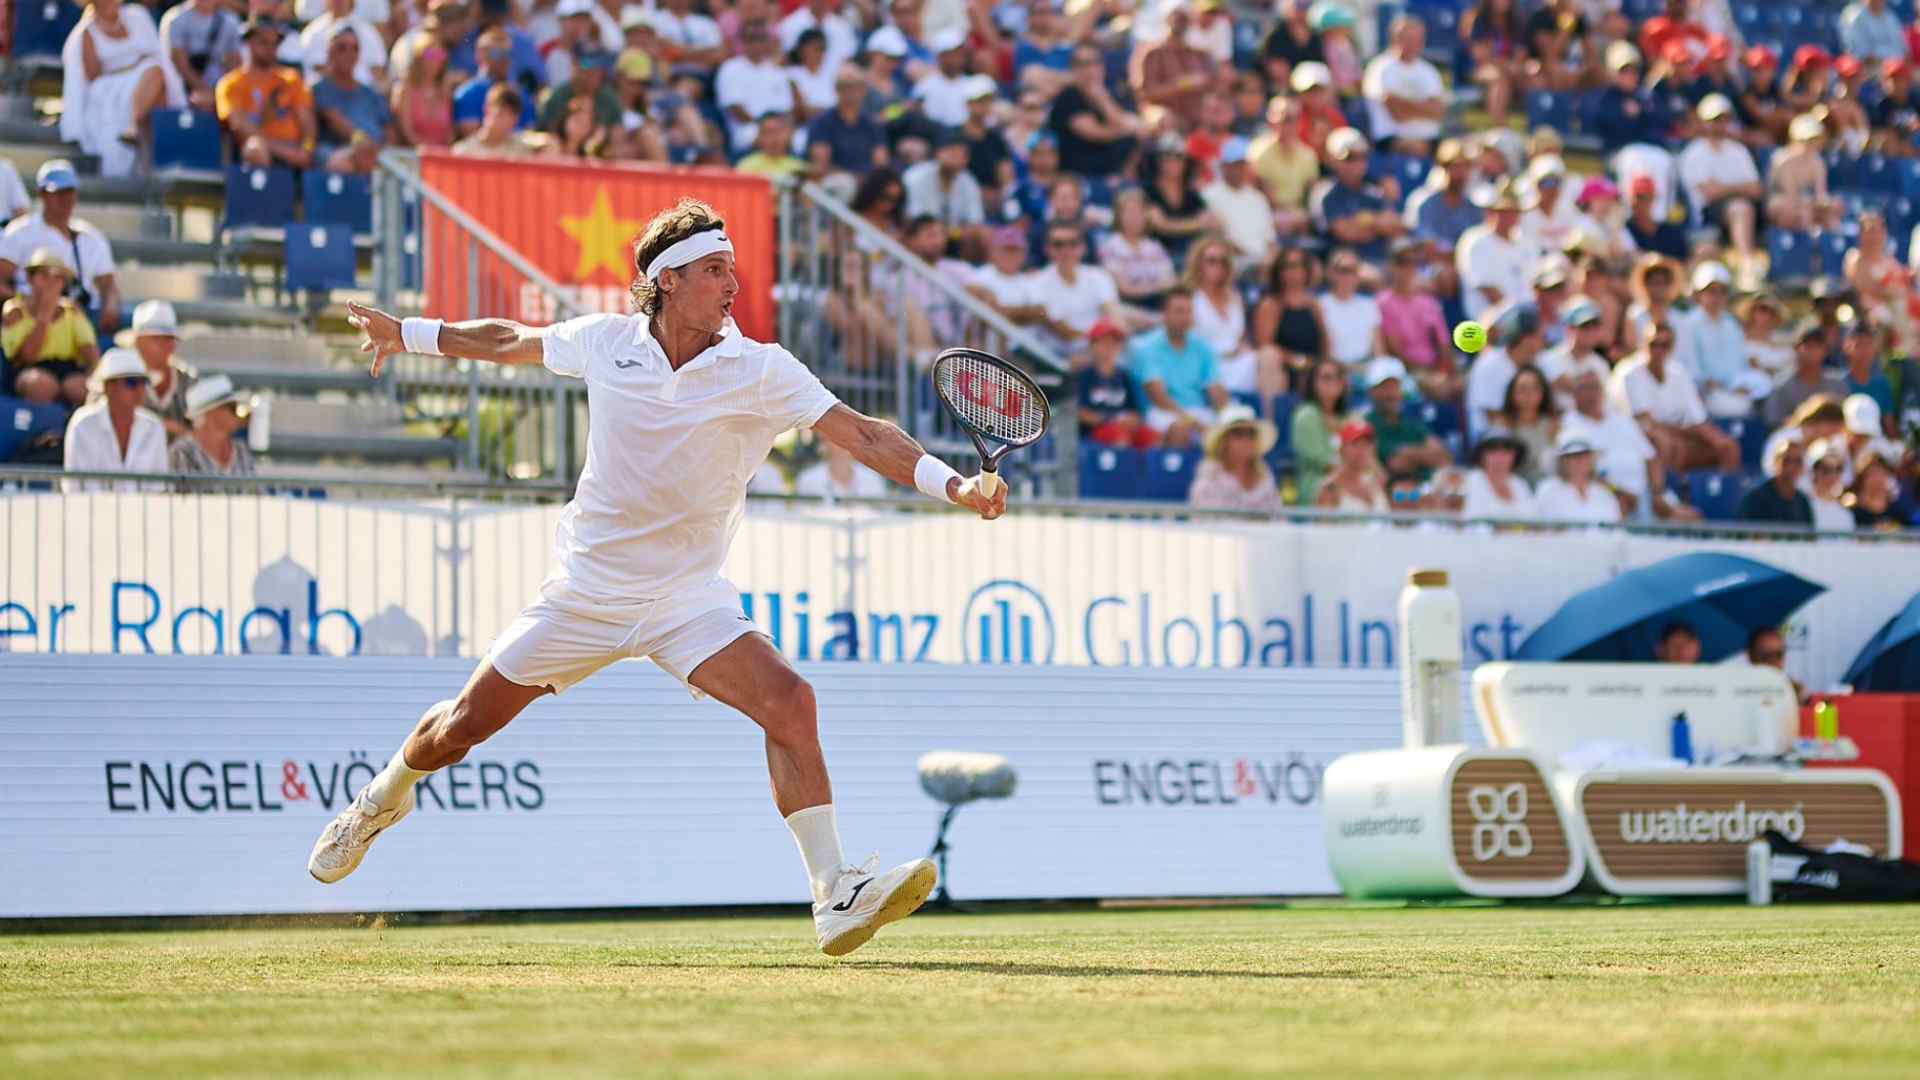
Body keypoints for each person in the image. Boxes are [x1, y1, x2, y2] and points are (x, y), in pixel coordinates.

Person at [311, 199, 1005, 957]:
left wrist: (957, 487)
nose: (732, 283)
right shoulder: (606, 342)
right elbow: (509, 338)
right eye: (714, 270)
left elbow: (865, 434)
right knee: (458, 732)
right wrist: (407, 333)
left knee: (790, 701)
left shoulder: (761, 368)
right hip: (584, 594)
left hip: (687, 600)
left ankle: (834, 892)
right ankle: (380, 802)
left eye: (732, 269)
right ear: (668, 280)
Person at [59, 0, 186, 178]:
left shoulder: (138, 15)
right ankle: (137, 133)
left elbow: (156, 53)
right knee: (155, 73)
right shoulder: (85, 34)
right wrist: (130, 73)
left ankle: (153, 160)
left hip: (148, 79)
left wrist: (138, 70)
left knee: (157, 78)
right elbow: (93, 77)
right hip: (109, 88)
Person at [0, 161, 122, 336]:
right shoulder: (19, 232)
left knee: (132, 324)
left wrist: (110, 306)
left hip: (83, 316)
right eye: (58, 192)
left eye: (69, 191)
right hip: (32, 318)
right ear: (42, 194)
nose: (65, 199)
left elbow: (108, 284)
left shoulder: (91, 236)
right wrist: (28, 304)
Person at [1610, 318, 1740, 476]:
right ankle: (1666, 494)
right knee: (1667, 443)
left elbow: (1697, 418)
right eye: (1653, 344)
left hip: (1676, 432)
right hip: (1636, 437)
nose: (1658, 350)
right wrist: (1686, 432)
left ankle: (1722, 494)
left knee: (1728, 446)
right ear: (1643, 343)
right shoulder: (1629, 373)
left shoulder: (1679, 372)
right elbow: (1646, 423)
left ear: (1672, 347)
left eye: (1664, 345)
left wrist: (1719, 441)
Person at [2, 248, 99, 407]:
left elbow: (91, 355)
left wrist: (92, 378)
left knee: (81, 388)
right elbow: (27, 357)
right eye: (43, 274)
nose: (51, 282)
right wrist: (45, 314)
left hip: (69, 370)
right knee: (40, 385)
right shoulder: (14, 310)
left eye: (58, 277)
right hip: (28, 370)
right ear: (30, 278)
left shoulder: (72, 310)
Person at [1677, 94, 1762, 271]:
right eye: (1715, 120)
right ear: (1703, 122)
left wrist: (1725, 188)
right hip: (1705, 216)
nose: (1720, 125)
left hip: (1736, 208)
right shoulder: (1693, 153)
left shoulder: (1738, 150)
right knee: (1740, 208)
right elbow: (1709, 194)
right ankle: (1747, 263)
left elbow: (1756, 189)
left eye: (1724, 119)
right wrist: (1740, 188)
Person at [62, 347, 167, 490]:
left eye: (144, 382)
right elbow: (77, 484)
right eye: (131, 382)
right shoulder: (83, 424)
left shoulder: (154, 426)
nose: (140, 389)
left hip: (142, 511)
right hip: (90, 510)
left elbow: (159, 485)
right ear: (108, 387)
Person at [217, 18, 317, 168]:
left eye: (275, 43)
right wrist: (284, 151)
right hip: (263, 149)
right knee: (254, 148)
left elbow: (307, 120)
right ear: (249, 43)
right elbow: (240, 126)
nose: (271, 48)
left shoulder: (291, 78)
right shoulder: (231, 83)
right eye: (263, 42)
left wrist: (307, 149)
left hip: (294, 147)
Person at [1134, 287, 1226, 447]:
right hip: (1162, 413)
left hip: (1198, 410)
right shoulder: (1147, 347)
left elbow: (1215, 389)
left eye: (1188, 312)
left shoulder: (1202, 346)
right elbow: (1160, 398)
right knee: (1181, 429)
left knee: (1236, 430)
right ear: (1165, 314)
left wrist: (1226, 417)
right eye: (1178, 311)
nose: (1185, 317)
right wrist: (1194, 423)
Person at [1030, 222, 1130, 356]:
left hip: (1099, 350)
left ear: (1083, 247)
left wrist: (1112, 336)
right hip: (1057, 357)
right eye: (1058, 244)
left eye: (1073, 243)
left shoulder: (1098, 276)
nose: (1066, 250)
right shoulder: (1037, 283)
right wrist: (1102, 340)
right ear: (1048, 249)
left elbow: (1114, 314)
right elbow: (1064, 333)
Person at [1378, 240, 1457, 402]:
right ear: (1390, 266)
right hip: (1406, 371)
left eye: (1413, 262)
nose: (1408, 268)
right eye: (1402, 262)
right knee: (1439, 388)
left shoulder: (1428, 302)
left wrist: (1447, 373)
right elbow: (1395, 351)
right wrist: (1428, 375)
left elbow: (1444, 346)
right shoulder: (1384, 303)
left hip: (1435, 369)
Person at [1313, 128, 1404, 265]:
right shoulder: (1324, 192)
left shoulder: (1374, 189)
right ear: (1331, 159)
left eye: (1362, 156)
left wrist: (1361, 221)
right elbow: (1347, 232)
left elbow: (1395, 227)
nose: (1357, 164)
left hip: (1381, 262)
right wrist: (1377, 224)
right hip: (1343, 267)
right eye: (1349, 158)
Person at [1048, 44, 1140, 179]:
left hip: (1114, 175)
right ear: (1073, 69)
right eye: (1081, 64)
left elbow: (1128, 124)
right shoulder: (1068, 97)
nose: (1089, 70)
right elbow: (1096, 133)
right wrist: (1127, 130)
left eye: (1094, 63)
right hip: (1078, 177)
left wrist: (1102, 99)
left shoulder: (1114, 95)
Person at [312, 28, 394, 172]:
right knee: (344, 163)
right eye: (342, 48)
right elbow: (335, 122)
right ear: (330, 53)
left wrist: (383, 150)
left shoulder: (371, 93)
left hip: (376, 153)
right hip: (340, 150)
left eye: (355, 49)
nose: (349, 54)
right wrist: (364, 144)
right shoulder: (321, 88)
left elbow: (389, 129)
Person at [1364, 358, 1451, 482]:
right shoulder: (1368, 424)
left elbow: (1444, 457)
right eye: (1385, 387)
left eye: (1395, 387)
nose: (1391, 394)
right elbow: (1397, 464)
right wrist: (1424, 456)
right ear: (1372, 392)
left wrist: (1409, 453)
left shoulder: (1412, 422)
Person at [1253, 247, 1326, 393]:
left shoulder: (1314, 305)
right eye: (1286, 267)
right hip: (1283, 370)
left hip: (1313, 369)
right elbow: (1265, 346)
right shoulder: (1271, 305)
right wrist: (1296, 360)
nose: (1292, 272)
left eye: (1297, 266)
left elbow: (1324, 340)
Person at [715, 21, 795, 154]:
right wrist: (766, 128)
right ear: (743, 42)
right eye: (751, 40)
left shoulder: (777, 71)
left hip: (777, 126)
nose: (756, 44)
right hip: (746, 128)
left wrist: (781, 128)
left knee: (798, 139)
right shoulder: (730, 68)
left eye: (761, 39)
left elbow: (787, 110)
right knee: (762, 136)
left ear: (767, 42)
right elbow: (735, 108)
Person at [1456, 180, 1530, 321]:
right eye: (1503, 212)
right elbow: (1488, 290)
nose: (1509, 217)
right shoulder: (1475, 241)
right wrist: (1518, 317)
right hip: (1486, 324)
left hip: (1524, 322)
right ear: (1490, 212)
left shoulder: (1526, 243)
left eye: (1513, 212)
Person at [1077, 319, 1155, 450]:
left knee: (1149, 436)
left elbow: (1136, 411)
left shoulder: (1125, 376)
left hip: (1122, 427)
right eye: (1104, 343)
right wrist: (1111, 420)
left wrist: (1131, 420)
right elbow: (1081, 413)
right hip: (1094, 432)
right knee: (1118, 436)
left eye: (1115, 343)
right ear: (1093, 345)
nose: (1110, 348)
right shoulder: (1085, 375)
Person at [1098, 188, 1178, 313]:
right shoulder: (1110, 247)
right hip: (1127, 307)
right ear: (1119, 216)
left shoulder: (1155, 247)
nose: (1134, 217)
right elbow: (1124, 289)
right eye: (1129, 212)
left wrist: (1146, 288)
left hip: (1158, 305)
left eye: (1139, 212)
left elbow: (1170, 282)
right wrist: (1156, 287)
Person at [1189, 406, 1283, 512]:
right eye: (1238, 433)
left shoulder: (1264, 473)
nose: (1246, 440)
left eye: (1251, 433)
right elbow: (1206, 521)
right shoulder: (1210, 475)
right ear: (1224, 441)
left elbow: (1278, 516)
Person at [1201, 138, 1275, 270]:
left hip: (1263, 263)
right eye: (1234, 165)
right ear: (1223, 166)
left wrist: (1270, 260)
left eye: (1242, 164)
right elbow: (1217, 239)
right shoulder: (1208, 196)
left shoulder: (1257, 198)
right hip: (1231, 263)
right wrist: (1253, 259)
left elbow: (1270, 239)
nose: (1239, 169)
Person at [126, 299, 194, 437]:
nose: (165, 345)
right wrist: (162, 426)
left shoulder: (188, 380)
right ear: (138, 342)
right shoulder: (117, 378)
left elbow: (203, 432)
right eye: (156, 338)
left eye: (169, 338)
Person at [1765, 320, 1851, 428]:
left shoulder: (1838, 384)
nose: (1812, 351)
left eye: (1817, 346)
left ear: (1825, 350)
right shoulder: (1781, 385)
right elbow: (1775, 424)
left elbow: (1847, 421)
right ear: (1796, 349)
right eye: (1808, 346)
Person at [1767, 112, 1843, 233]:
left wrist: (1829, 204)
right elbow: (1790, 195)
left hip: (1804, 202)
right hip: (1782, 203)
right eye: (1808, 139)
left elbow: (1820, 194)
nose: (1812, 143)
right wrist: (1813, 204)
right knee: (1803, 213)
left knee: (1831, 216)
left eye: (1815, 139)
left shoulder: (1817, 161)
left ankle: (1831, 247)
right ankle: (1807, 247)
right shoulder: (1783, 159)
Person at [168, 374, 257, 476]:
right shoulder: (182, 451)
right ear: (210, 412)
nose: (237, 413)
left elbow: (255, 490)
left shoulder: (241, 450)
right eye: (232, 407)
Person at [162, 0, 244, 111]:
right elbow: (180, 64)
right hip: (181, 88)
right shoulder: (175, 18)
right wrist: (206, 91)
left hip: (218, 87)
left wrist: (221, 93)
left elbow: (234, 63)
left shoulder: (230, 20)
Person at [453, 25, 532, 137]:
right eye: (497, 54)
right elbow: (471, 138)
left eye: (507, 54)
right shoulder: (468, 94)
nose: (504, 60)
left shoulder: (521, 94)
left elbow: (529, 133)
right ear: (480, 55)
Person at [1290, 356, 1348, 505]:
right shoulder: (1305, 415)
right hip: (1317, 484)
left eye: (1338, 377)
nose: (1333, 382)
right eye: (1326, 377)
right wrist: (1353, 474)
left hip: (1349, 479)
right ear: (1313, 383)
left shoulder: (1349, 418)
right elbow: (1322, 461)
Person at [901, 130, 983, 229]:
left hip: (957, 236)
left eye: (961, 155)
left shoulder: (969, 181)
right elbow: (913, 218)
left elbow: (975, 220)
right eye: (952, 152)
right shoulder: (915, 176)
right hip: (921, 234)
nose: (956, 158)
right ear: (938, 153)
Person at [1533, 433, 1622, 523]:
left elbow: (1615, 528)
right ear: (1563, 461)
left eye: (1585, 456)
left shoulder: (1604, 493)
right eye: (1573, 456)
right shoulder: (1548, 490)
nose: (1580, 461)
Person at [1319, 249, 1383, 371]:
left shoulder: (1369, 305)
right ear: (1331, 273)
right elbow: (1324, 349)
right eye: (1343, 270)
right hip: (1335, 369)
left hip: (1366, 368)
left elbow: (1378, 349)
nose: (1348, 276)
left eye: (1353, 271)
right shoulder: (1320, 305)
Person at [1495, 365, 1558, 485]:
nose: (1528, 395)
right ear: (1512, 393)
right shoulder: (1503, 427)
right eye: (1522, 389)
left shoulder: (1553, 425)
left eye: (1534, 388)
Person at [299, 0, 384, 88]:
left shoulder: (368, 31)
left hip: (363, 93)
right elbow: (316, 68)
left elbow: (378, 69)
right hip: (325, 93)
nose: (339, 2)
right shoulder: (313, 32)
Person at [1316, 418, 1390, 512]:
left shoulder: (1375, 482)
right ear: (1342, 448)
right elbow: (1323, 525)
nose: (1362, 450)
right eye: (1355, 444)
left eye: (1367, 444)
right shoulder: (1330, 488)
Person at [453, 84, 550, 155]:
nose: (505, 121)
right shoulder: (463, 151)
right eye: (501, 114)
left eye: (511, 117)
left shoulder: (521, 151)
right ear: (487, 110)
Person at [1739, 438, 1815, 526]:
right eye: (1786, 460)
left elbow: (1809, 536)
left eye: (1798, 461)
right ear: (1775, 463)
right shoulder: (1755, 499)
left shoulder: (1802, 502)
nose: (1792, 466)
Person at [1461, 429, 1535, 520]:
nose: (1499, 457)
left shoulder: (1520, 484)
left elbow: (1532, 520)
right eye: (1493, 450)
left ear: (1514, 455)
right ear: (1482, 455)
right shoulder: (1470, 481)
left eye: (1506, 450)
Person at [794, 438, 887, 500]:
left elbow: (884, 516)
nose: (844, 445)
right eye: (838, 439)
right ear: (825, 442)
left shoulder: (872, 478)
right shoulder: (809, 479)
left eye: (850, 439)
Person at [1624, 174, 1688, 260]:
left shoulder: (1672, 232)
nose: (1642, 204)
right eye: (1639, 198)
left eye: (1647, 198)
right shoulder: (1626, 229)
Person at [1806, 438, 1856, 531]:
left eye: (1838, 469)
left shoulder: (1846, 515)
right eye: (1826, 469)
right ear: (1814, 471)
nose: (1832, 476)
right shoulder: (1803, 507)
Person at [1840, 0, 1906, 62]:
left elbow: (1900, 48)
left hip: (1894, 66)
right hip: (1868, 67)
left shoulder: (1890, 16)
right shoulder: (1854, 15)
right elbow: (1862, 54)